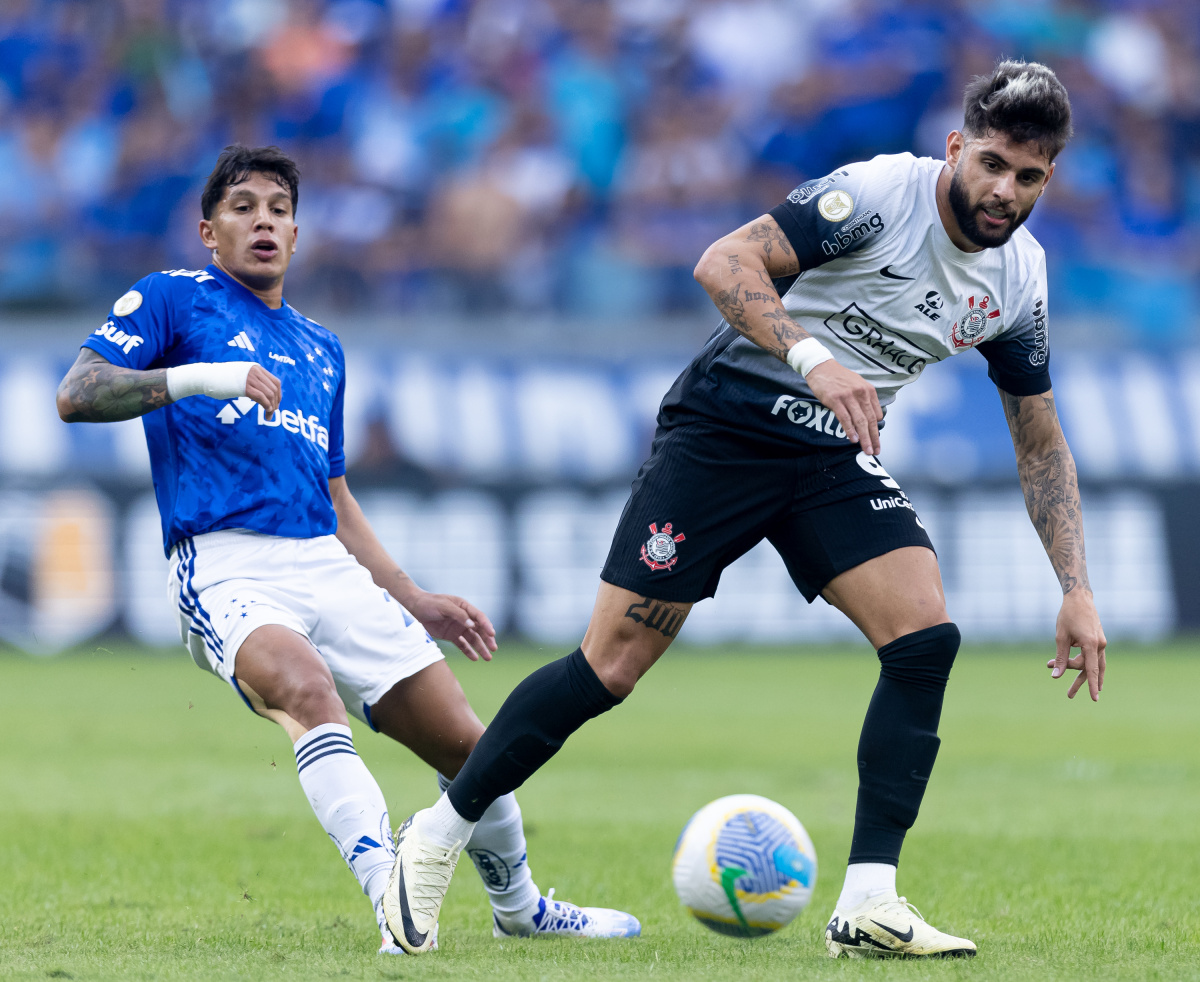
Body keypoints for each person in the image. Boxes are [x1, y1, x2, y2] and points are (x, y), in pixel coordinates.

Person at [385, 60, 1107, 958]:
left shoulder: (1021, 281)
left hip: (828, 457)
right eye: (992, 162)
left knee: (923, 640)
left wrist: (1075, 586)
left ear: (1051, 176)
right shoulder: (878, 194)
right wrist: (816, 359)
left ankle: (869, 903)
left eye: (1028, 176)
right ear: (957, 146)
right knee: (609, 666)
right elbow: (722, 260)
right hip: (726, 427)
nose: (1004, 190)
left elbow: (1040, 440)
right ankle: (438, 833)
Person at [55, 144, 640, 955]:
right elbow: (76, 393)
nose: (263, 220)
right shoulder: (172, 301)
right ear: (207, 230)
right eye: (243, 206)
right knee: (305, 691)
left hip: (326, 567)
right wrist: (198, 378)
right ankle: (393, 893)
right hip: (225, 564)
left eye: (278, 209)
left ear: (297, 234)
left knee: (472, 748)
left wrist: (416, 597)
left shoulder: (320, 347)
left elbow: (335, 500)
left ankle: (521, 907)